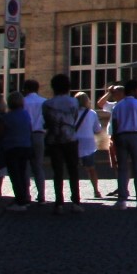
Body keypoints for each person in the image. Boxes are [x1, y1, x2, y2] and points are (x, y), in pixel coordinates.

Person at [40, 75, 88, 213]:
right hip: (70, 139)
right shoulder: (73, 102)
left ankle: (59, 203)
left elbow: (47, 122)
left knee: (57, 172)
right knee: (73, 170)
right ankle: (76, 202)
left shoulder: (47, 104)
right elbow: (74, 119)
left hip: (54, 140)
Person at [0, 84, 36, 210]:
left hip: (12, 148)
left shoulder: (7, 117)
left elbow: (0, 133)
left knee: (15, 175)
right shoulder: (25, 115)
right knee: (23, 173)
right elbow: (30, 129)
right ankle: (25, 197)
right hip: (25, 146)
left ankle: (20, 201)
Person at [110, 81, 137, 205]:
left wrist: (116, 140)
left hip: (121, 136)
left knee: (122, 168)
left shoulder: (118, 106)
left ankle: (122, 199)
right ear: (133, 90)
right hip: (136, 135)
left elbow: (114, 125)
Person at [75, 90, 107, 197]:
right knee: (91, 168)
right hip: (88, 143)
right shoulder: (92, 113)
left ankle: (75, 192)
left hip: (74, 142)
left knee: (74, 169)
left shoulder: (72, 112)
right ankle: (96, 190)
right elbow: (97, 129)